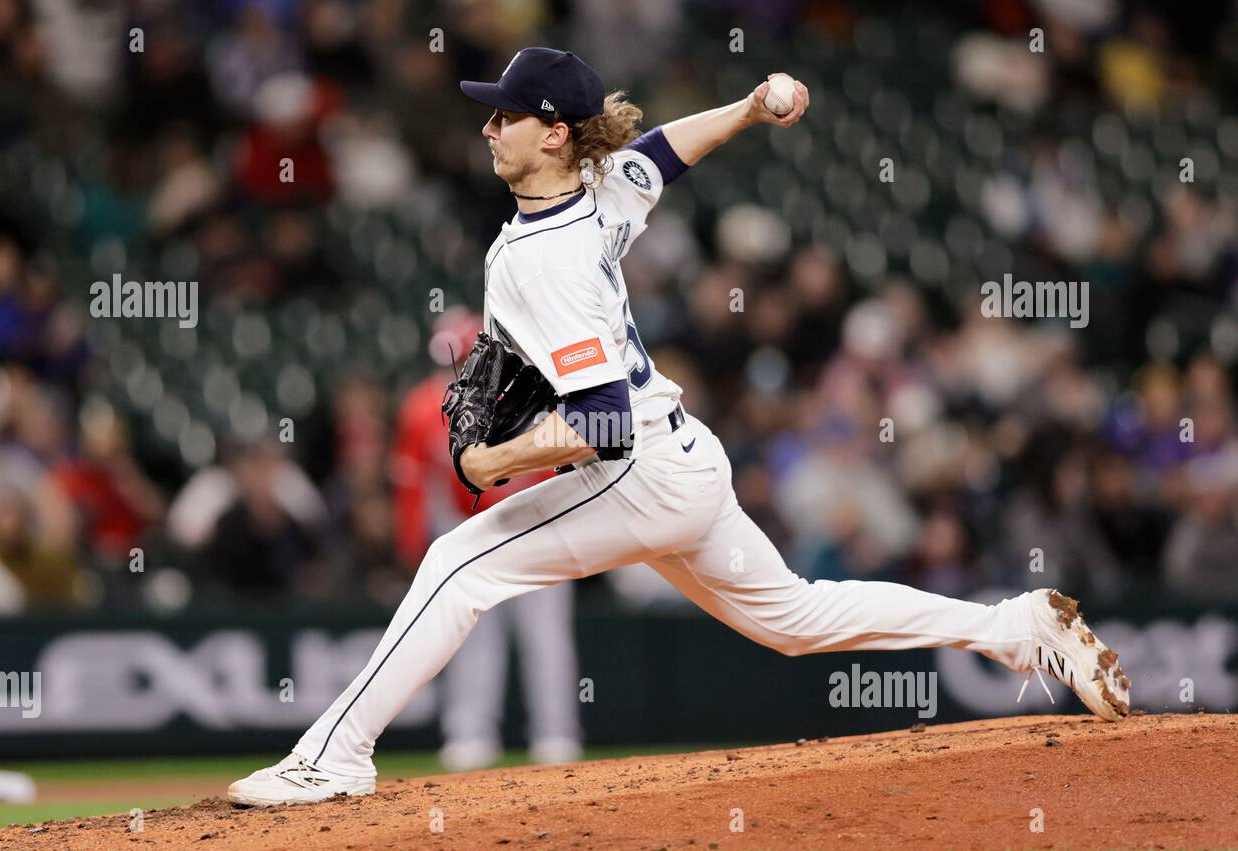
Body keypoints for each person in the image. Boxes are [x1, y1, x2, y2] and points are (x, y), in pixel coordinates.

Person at [229, 48, 1130, 806]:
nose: (486, 127)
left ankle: (331, 759)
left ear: (552, 133)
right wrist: (747, 105)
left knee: (457, 563)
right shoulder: (593, 190)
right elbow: (658, 153)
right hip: (685, 465)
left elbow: (603, 424)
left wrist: (491, 455)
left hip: (640, 470)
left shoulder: (546, 260)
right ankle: (1016, 627)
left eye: (504, 115)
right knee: (796, 619)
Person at [392, 309, 582, 771]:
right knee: (469, 635)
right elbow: (415, 485)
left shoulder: (531, 392)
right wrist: (412, 541)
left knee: (545, 636)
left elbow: (564, 463)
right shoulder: (421, 408)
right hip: (470, 528)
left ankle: (556, 734)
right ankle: (469, 733)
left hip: (537, 525)